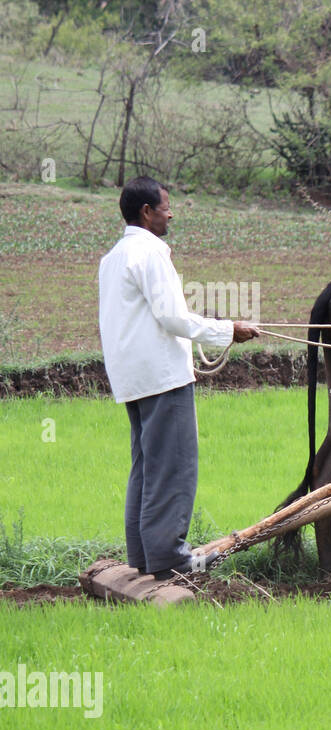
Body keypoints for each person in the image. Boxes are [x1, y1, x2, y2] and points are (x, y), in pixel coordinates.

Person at [98, 176, 259, 580]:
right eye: (166, 206)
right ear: (146, 212)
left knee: (147, 467)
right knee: (173, 468)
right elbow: (172, 317)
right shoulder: (150, 254)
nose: (171, 213)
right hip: (162, 377)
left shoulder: (113, 257)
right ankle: (170, 558)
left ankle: (144, 555)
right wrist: (228, 330)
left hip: (132, 378)